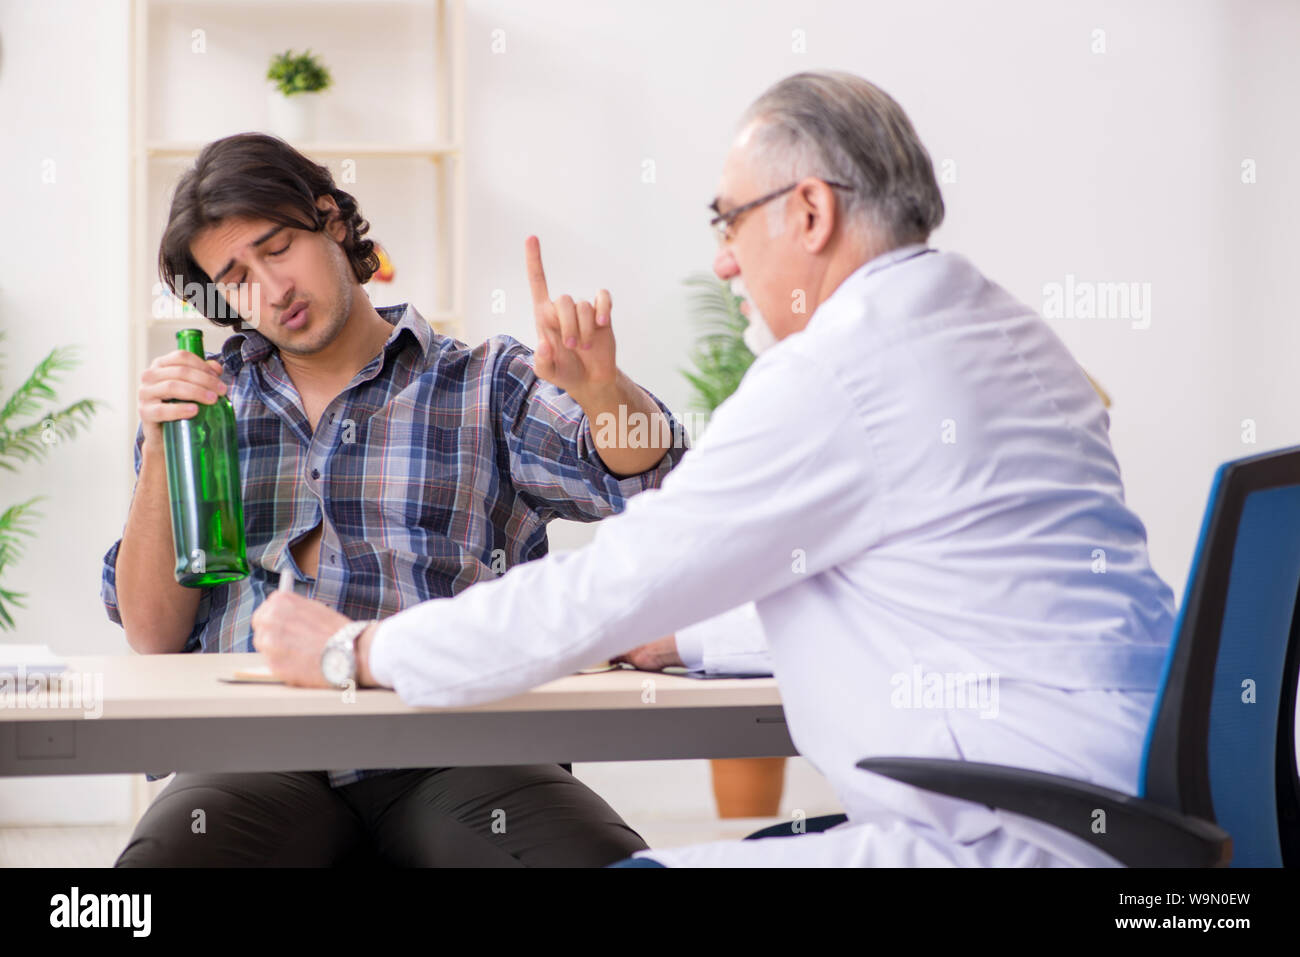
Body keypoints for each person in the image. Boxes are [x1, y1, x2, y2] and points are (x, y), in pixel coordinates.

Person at [252, 71, 1178, 867]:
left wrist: (354, 649)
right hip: (1138, 808)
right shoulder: (1002, 332)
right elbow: (934, 596)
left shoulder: (838, 373)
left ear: (810, 211)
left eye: (730, 220)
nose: (724, 260)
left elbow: (605, 587)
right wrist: (686, 642)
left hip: (1017, 832)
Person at [101, 132, 693, 867]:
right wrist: (161, 446)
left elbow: (660, 487)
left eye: (278, 246)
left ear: (333, 221)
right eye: (236, 276)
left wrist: (604, 392)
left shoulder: (486, 381)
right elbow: (151, 634)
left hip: (461, 743)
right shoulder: (202, 409)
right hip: (252, 752)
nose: (271, 289)